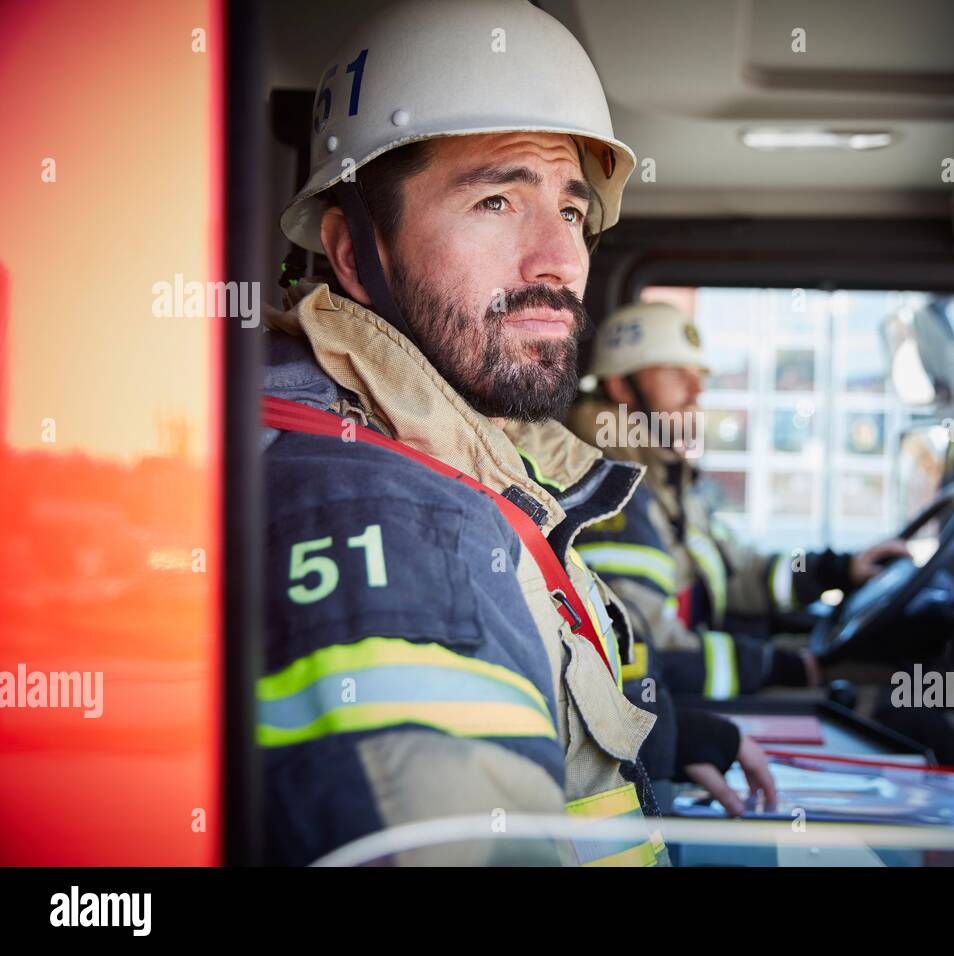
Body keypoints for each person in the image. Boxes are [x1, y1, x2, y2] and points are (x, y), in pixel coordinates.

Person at [260, 0, 667, 866]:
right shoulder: (392, 516)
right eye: (494, 199)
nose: (558, 260)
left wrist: (683, 736)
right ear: (351, 252)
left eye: (571, 210)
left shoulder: (471, 460)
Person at [568, 301, 910, 700]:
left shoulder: (663, 477)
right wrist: (775, 667)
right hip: (670, 703)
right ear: (620, 387)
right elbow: (646, 647)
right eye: (677, 373)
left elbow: (736, 572)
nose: (698, 390)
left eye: (699, 376)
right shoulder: (610, 493)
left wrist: (835, 569)